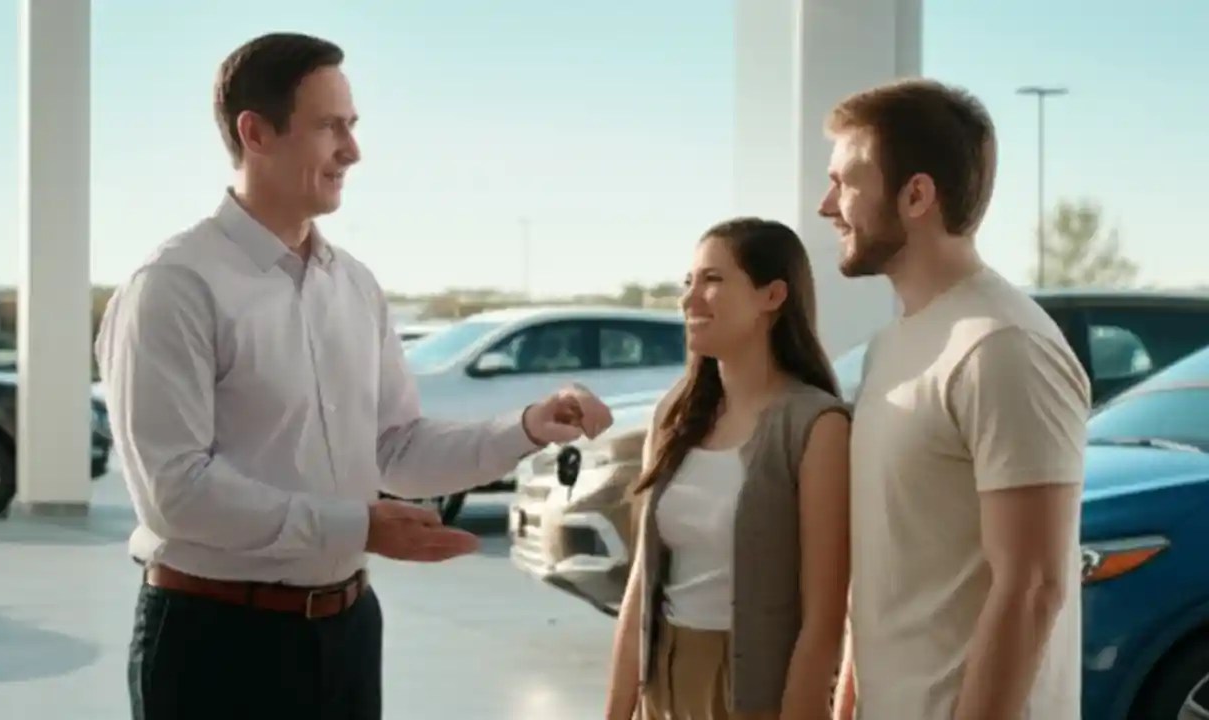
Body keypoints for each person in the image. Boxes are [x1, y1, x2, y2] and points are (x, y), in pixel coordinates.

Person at [93, 32, 613, 720]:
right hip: (213, 642)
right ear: (256, 133)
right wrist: (356, 528)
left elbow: (395, 449)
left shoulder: (355, 286)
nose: (353, 150)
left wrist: (523, 430)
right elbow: (177, 494)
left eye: (353, 126)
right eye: (330, 127)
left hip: (346, 633)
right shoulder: (175, 287)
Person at [820, 78, 1090, 720]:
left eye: (846, 181)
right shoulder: (893, 346)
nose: (827, 204)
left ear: (916, 194)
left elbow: (1033, 588)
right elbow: (891, 569)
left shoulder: (1004, 345)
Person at [605, 218, 852, 720]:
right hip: (666, 684)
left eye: (713, 280)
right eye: (688, 282)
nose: (690, 299)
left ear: (772, 295)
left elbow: (824, 620)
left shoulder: (816, 426)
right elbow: (640, 588)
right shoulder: (675, 414)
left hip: (756, 691)